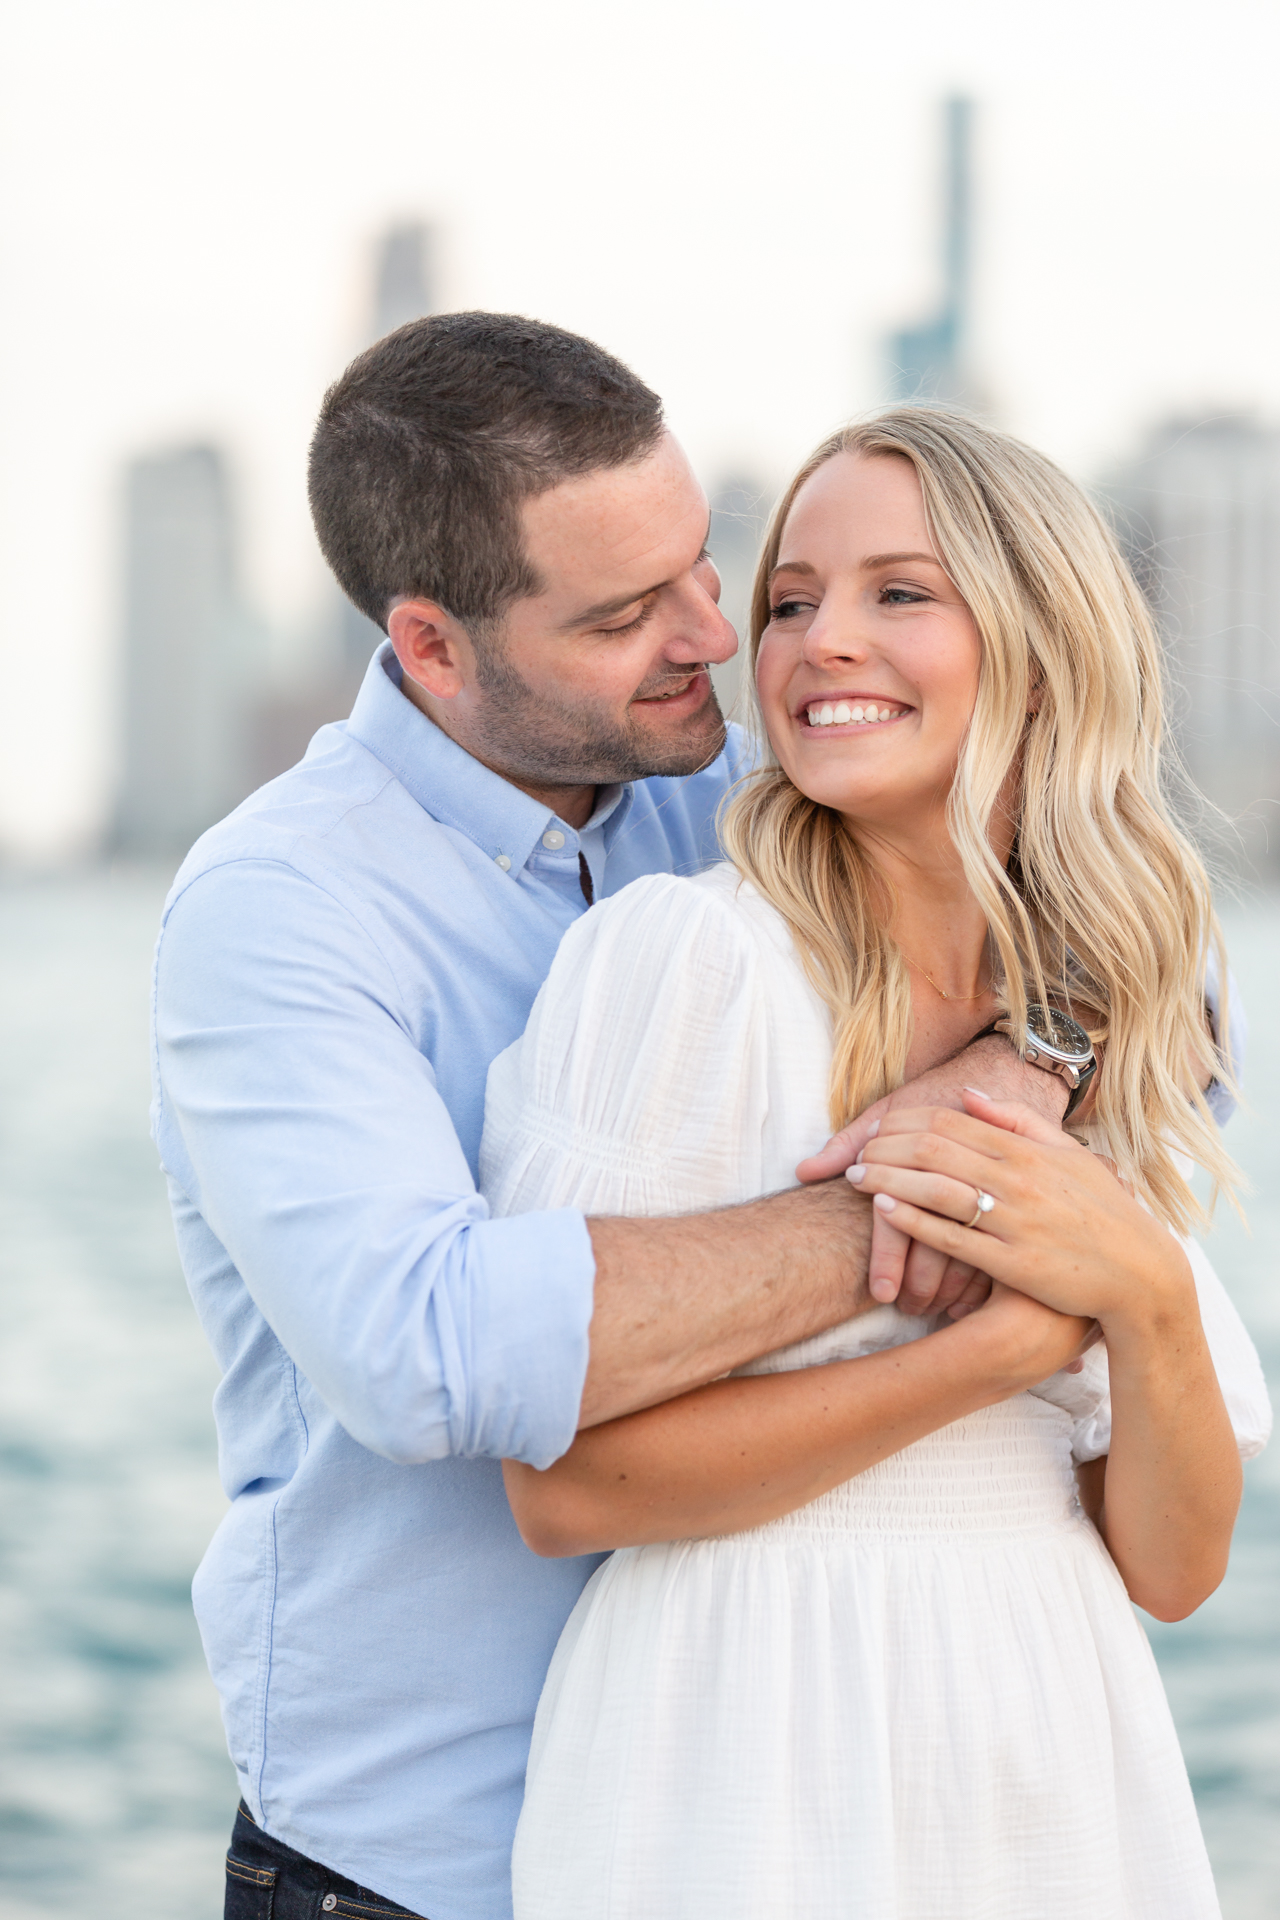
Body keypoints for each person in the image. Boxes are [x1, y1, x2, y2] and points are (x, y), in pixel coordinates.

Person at [151, 317, 1083, 1920]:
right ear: (435, 648)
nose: (714, 635)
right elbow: (432, 1355)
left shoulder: (746, 798)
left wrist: (1030, 1055)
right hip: (439, 1860)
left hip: (764, 1829)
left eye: (703, 570)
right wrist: (925, 1203)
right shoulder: (279, 910)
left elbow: (1146, 954)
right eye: (625, 614)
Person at [483, 407, 1272, 1919]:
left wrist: (1148, 1301)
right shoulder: (689, 959)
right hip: (739, 1749)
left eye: (899, 594)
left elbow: (1171, 1571)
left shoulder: (1107, 1010)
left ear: (1040, 652)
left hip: (1051, 1749)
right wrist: (1004, 1352)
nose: (818, 641)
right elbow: (562, 1486)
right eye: (790, 600)